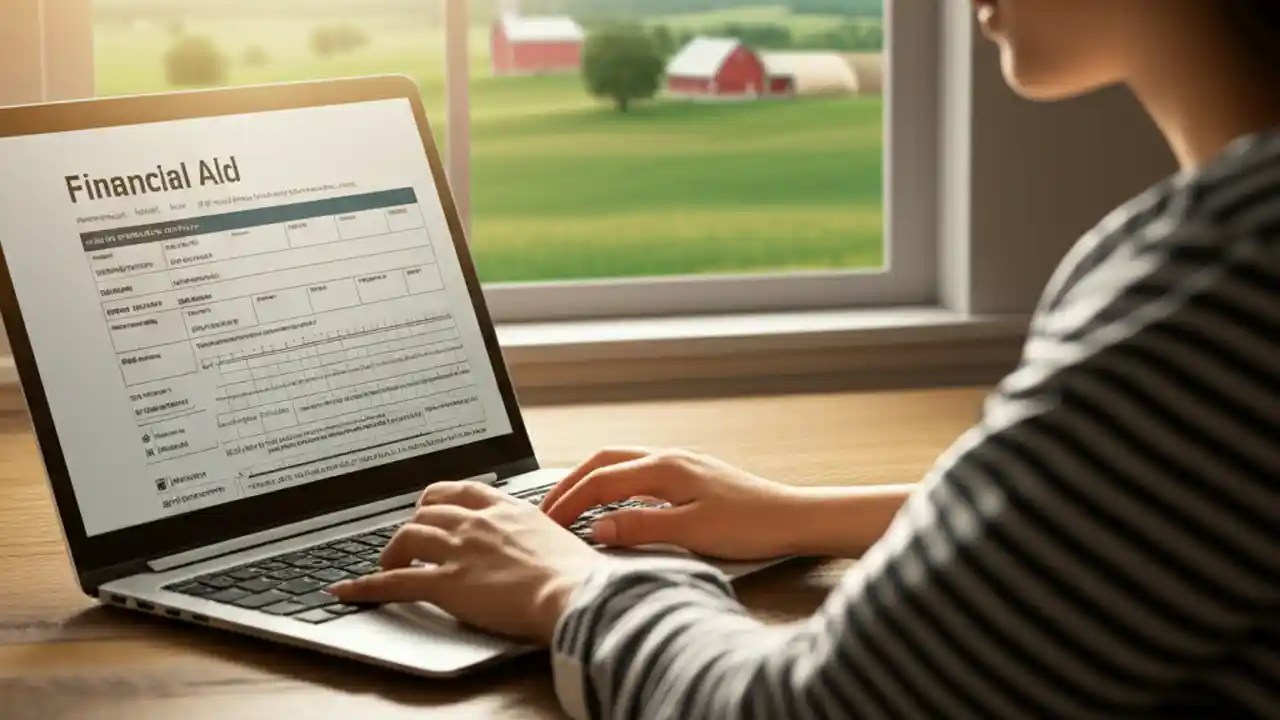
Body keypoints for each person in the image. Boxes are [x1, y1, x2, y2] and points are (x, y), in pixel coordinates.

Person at [331, 0, 1280, 716]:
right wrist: (803, 513)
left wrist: (570, 585)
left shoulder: (1221, 286)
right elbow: (1133, 517)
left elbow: (801, 709)